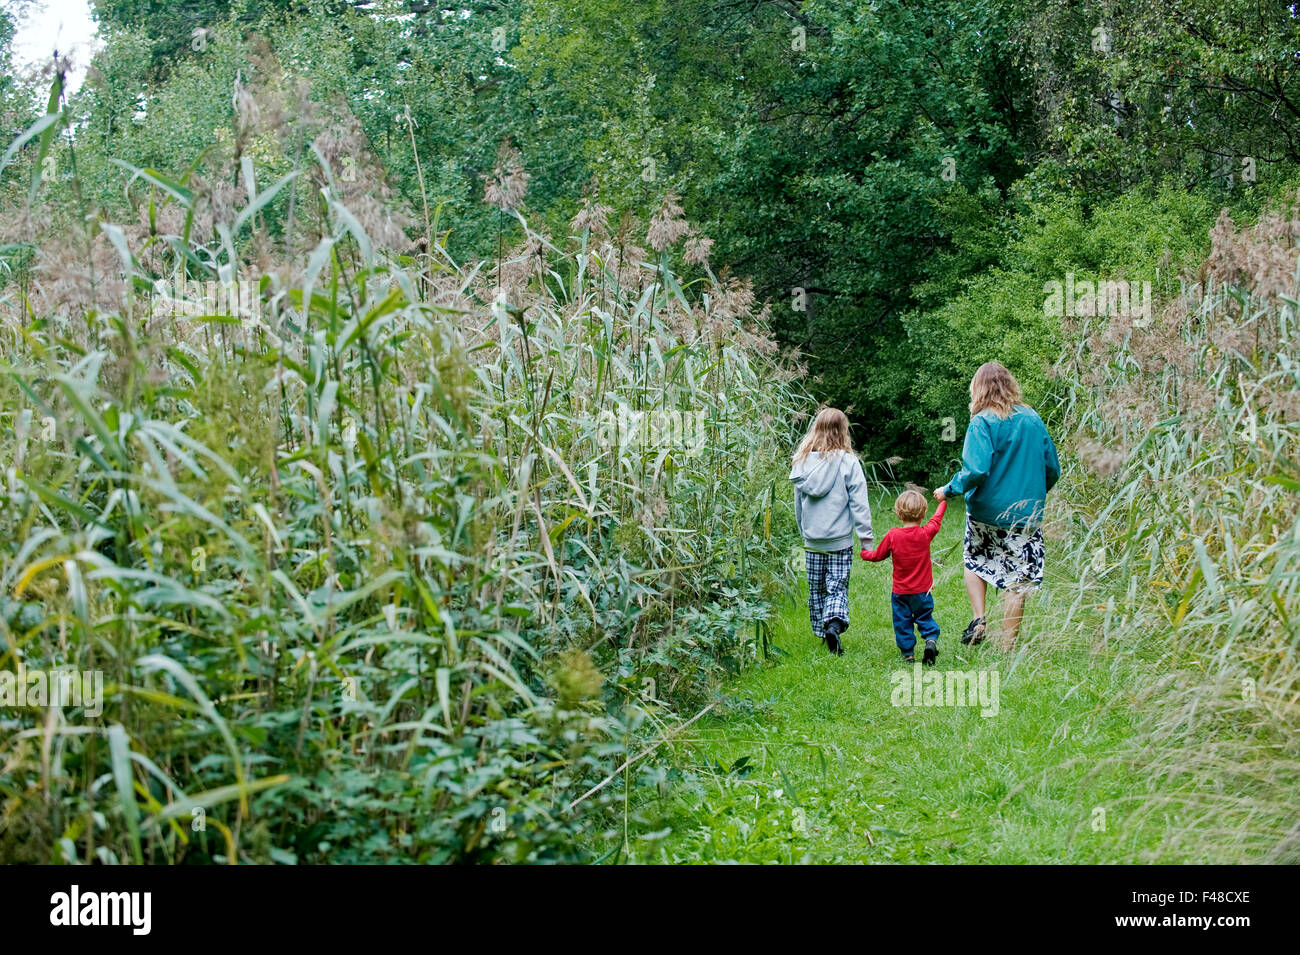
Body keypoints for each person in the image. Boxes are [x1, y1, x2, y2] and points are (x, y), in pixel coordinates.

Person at [935, 362, 1060, 651]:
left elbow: (976, 470)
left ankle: (979, 620)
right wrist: (1036, 494)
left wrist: (949, 489)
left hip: (986, 512)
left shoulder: (982, 421)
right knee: (1017, 579)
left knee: (974, 559)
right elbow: (1052, 467)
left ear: (978, 388)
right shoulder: (1032, 419)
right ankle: (1008, 646)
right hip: (1025, 515)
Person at [790, 408, 874, 656]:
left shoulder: (802, 463)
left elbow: (798, 505)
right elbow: (859, 504)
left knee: (816, 589)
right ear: (843, 431)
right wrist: (866, 540)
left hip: (813, 539)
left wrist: (803, 531)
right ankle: (833, 625)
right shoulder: (849, 462)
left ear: (816, 430)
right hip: (839, 541)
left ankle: (822, 629)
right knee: (837, 587)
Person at [861, 487, 947, 664]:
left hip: (901, 592)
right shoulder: (925, 533)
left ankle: (908, 654)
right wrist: (943, 503)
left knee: (902, 622)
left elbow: (878, 556)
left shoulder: (893, 535)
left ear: (898, 513)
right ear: (923, 513)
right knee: (925, 617)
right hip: (923, 592)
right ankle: (930, 641)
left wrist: (864, 554)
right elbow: (936, 521)